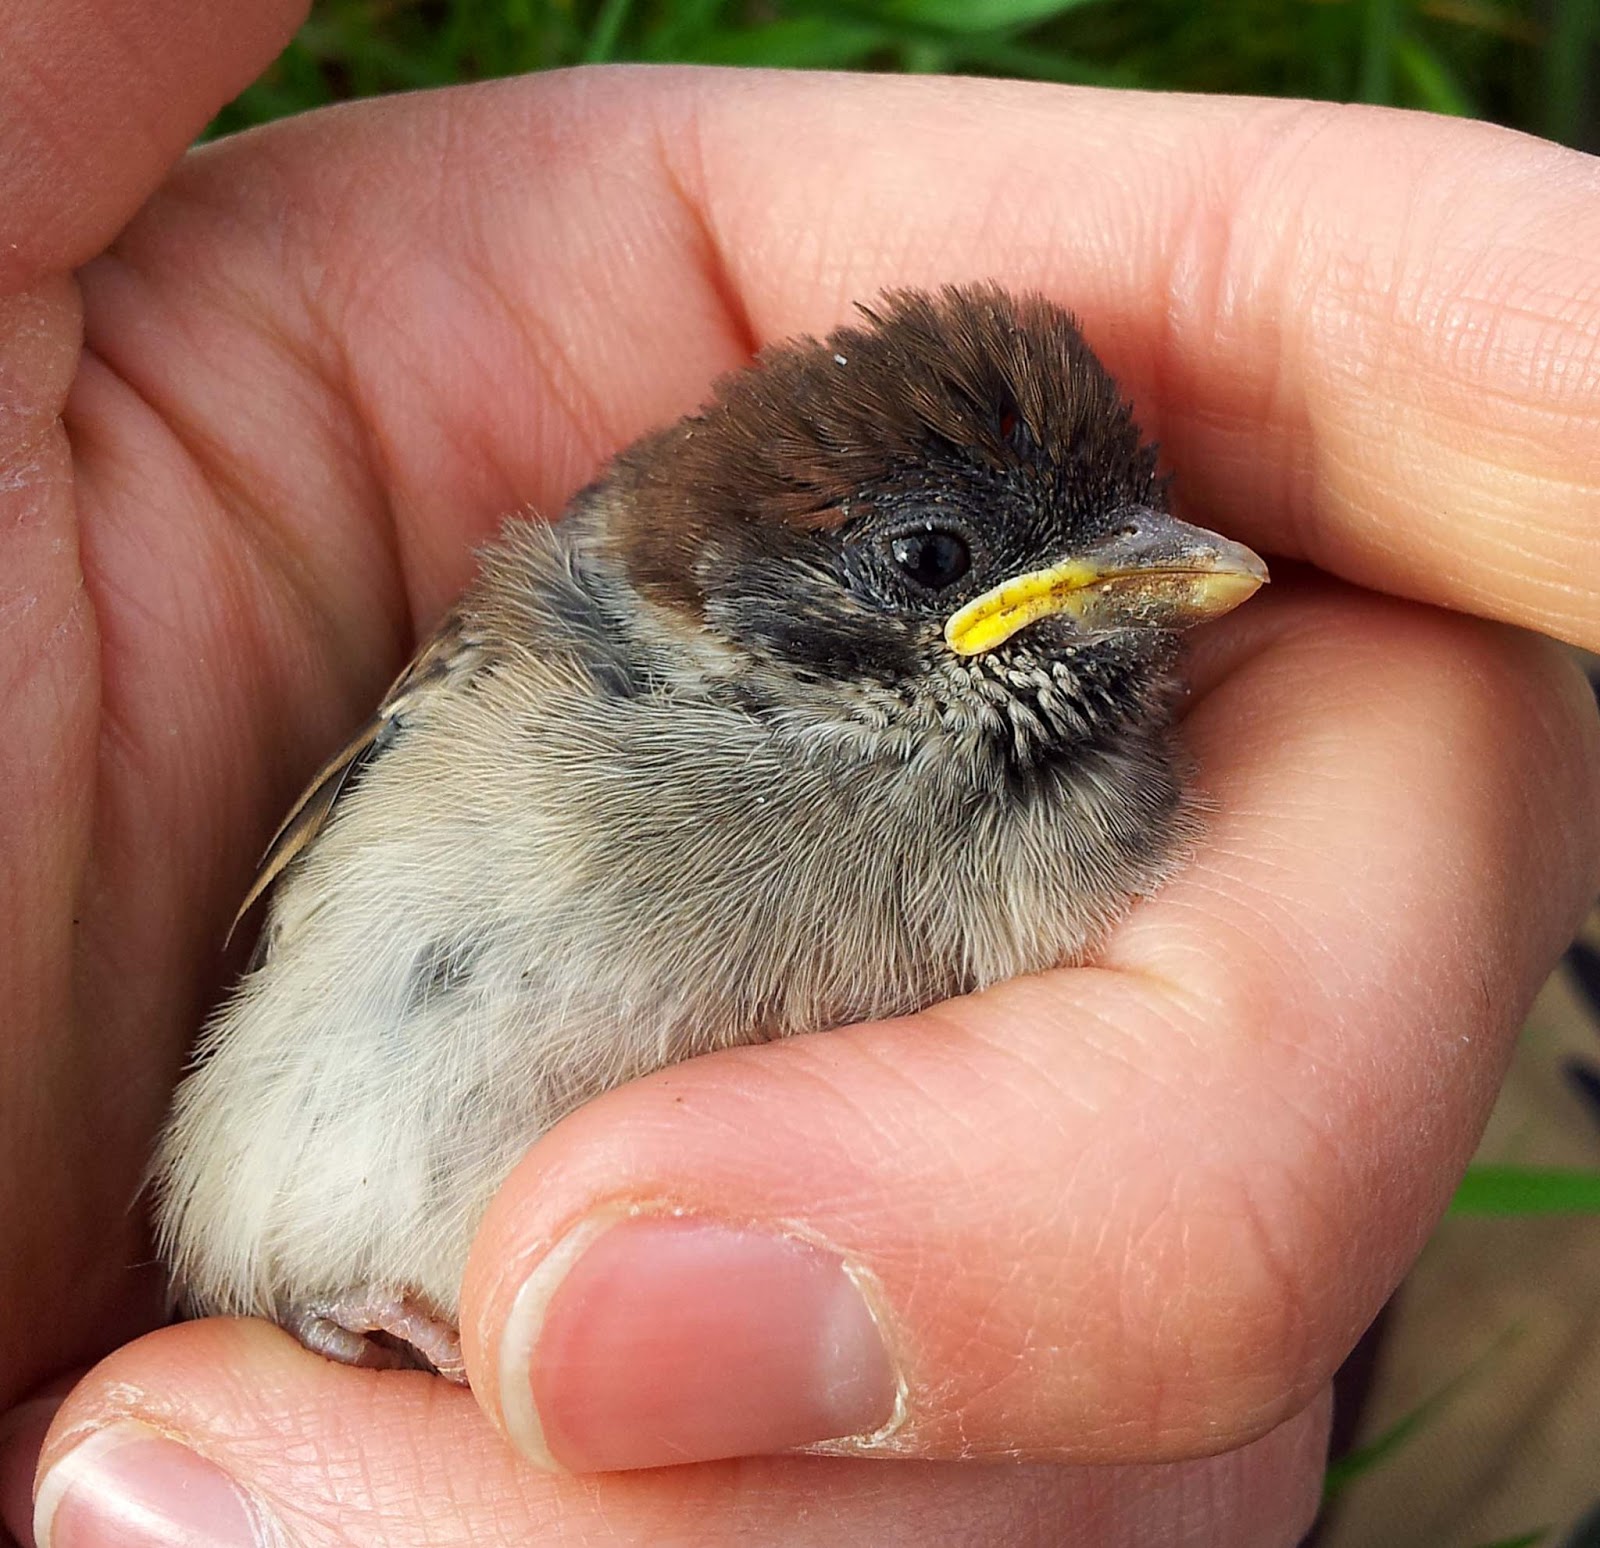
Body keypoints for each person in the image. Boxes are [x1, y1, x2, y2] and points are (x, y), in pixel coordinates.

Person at [1, 3, 1596, 1543]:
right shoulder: (560, 681)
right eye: (935, 557)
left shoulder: (1120, 814)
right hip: (289, 1307)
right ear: (740, 600)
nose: (1144, 574)